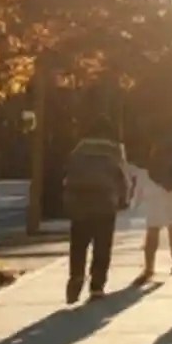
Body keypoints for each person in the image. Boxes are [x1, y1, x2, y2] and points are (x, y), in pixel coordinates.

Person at [63, 117, 130, 304]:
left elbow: (68, 174)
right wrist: (124, 199)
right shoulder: (114, 150)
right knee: (102, 245)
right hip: (105, 203)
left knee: (78, 244)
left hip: (79, 203)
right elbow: (122, 176)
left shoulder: (78, 150)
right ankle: (97, 286)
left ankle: (76, 276)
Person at [130, 118, 172, 286]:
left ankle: (149, 268)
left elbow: (142, 164)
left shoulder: (150, 141)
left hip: (154, 183)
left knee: (153, 227)